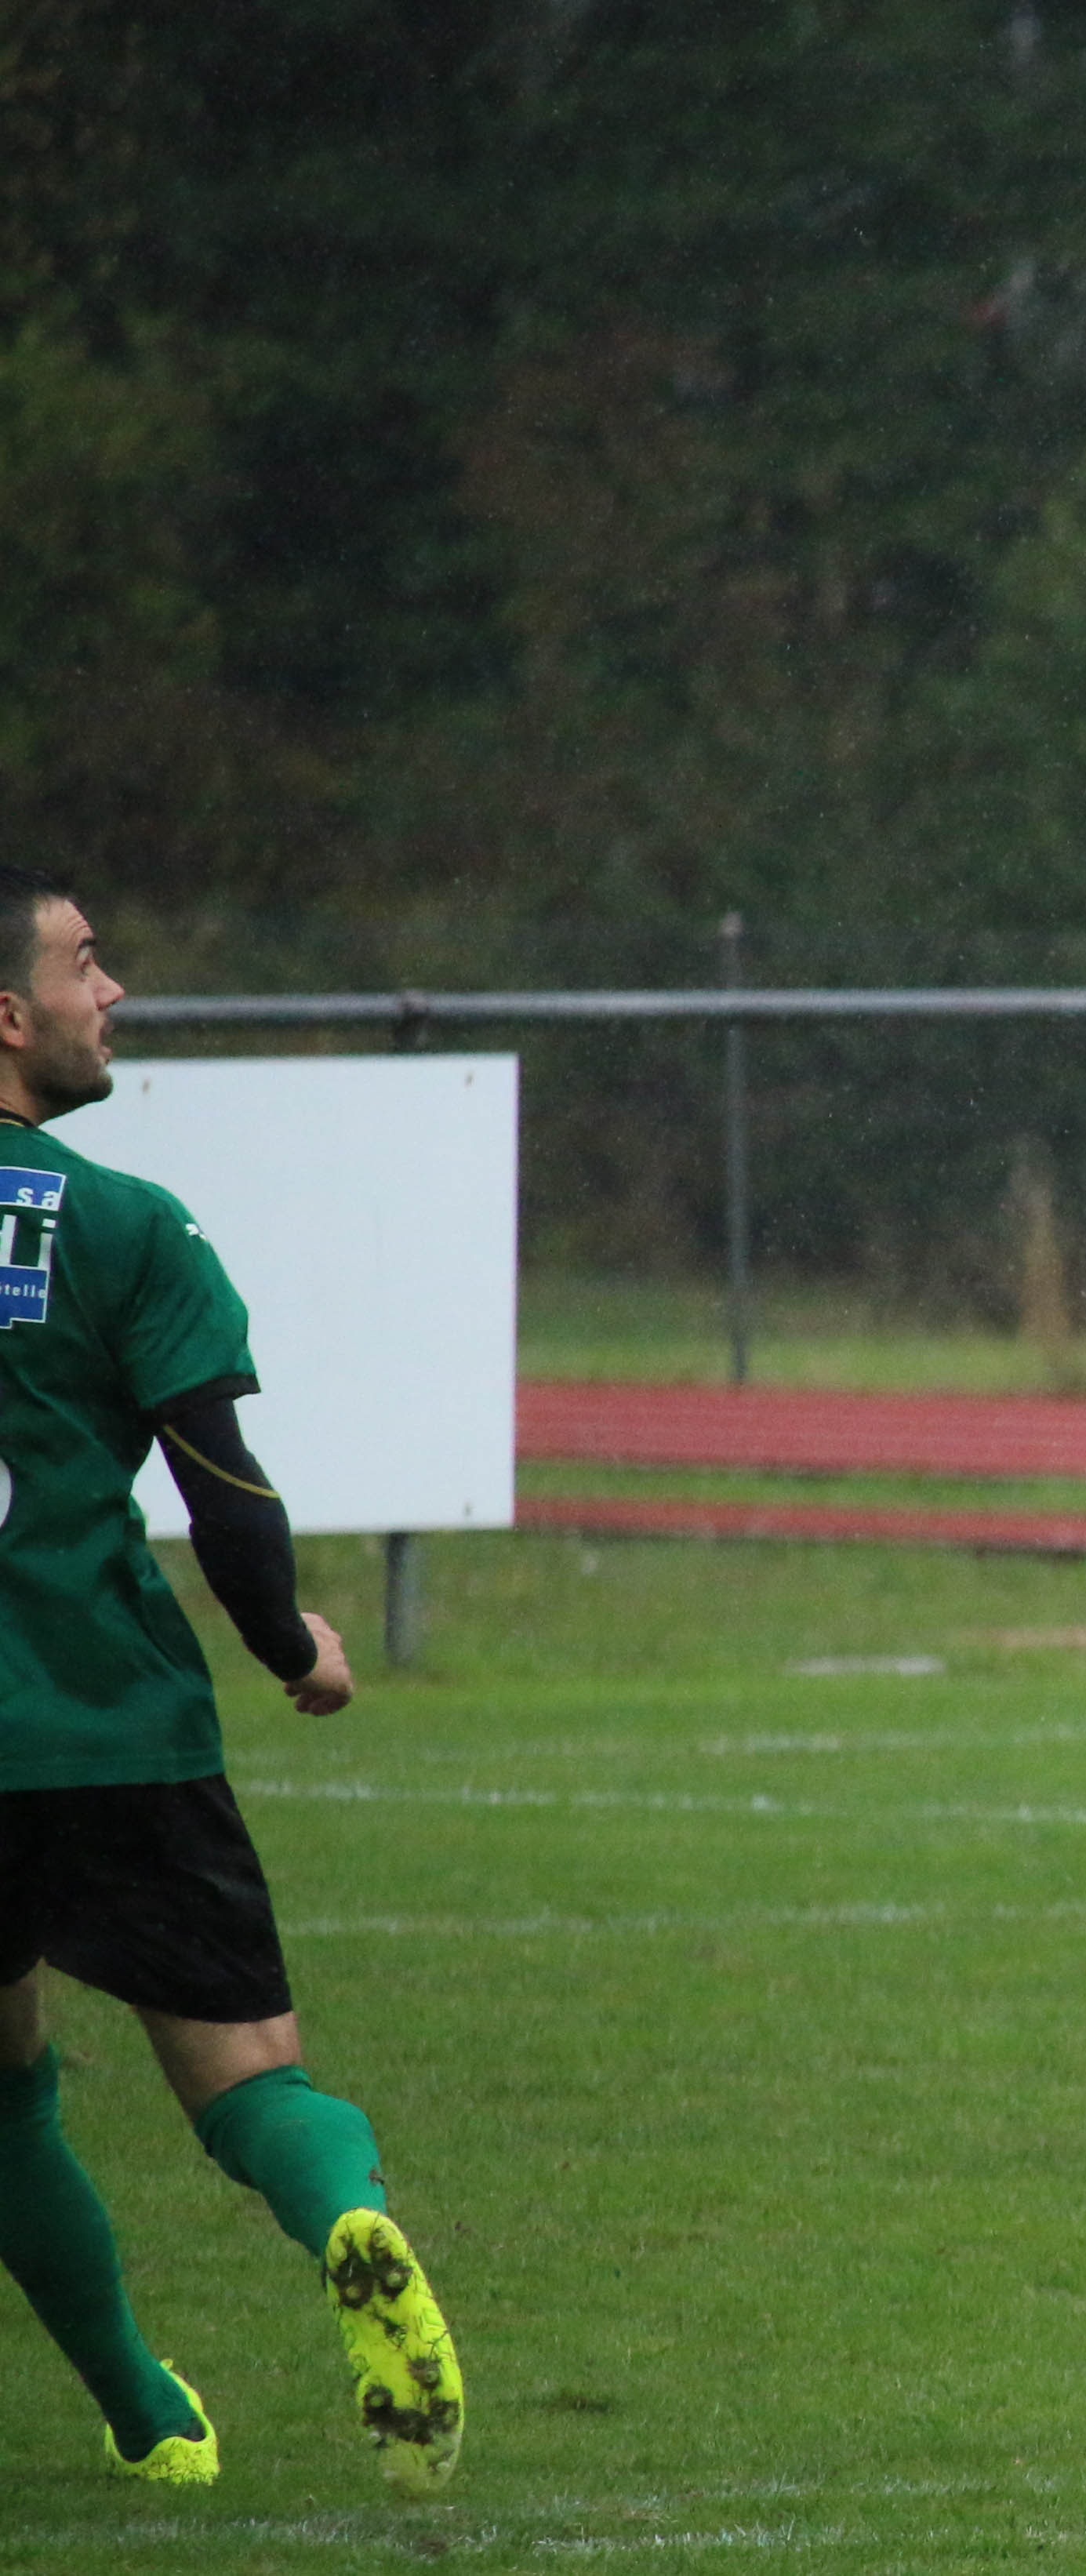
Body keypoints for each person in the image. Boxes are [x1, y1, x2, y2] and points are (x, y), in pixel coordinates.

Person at [0, 868, 466, 2489]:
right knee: (251, 2074)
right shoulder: (125, 1224)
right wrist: (293, 1645)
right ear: (9, 1015)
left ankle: (149, 2415)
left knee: (5, 2102)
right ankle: (343, 2220)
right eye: (85, 963)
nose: (113, 989)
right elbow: (224, 1491)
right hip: (108, 1717)